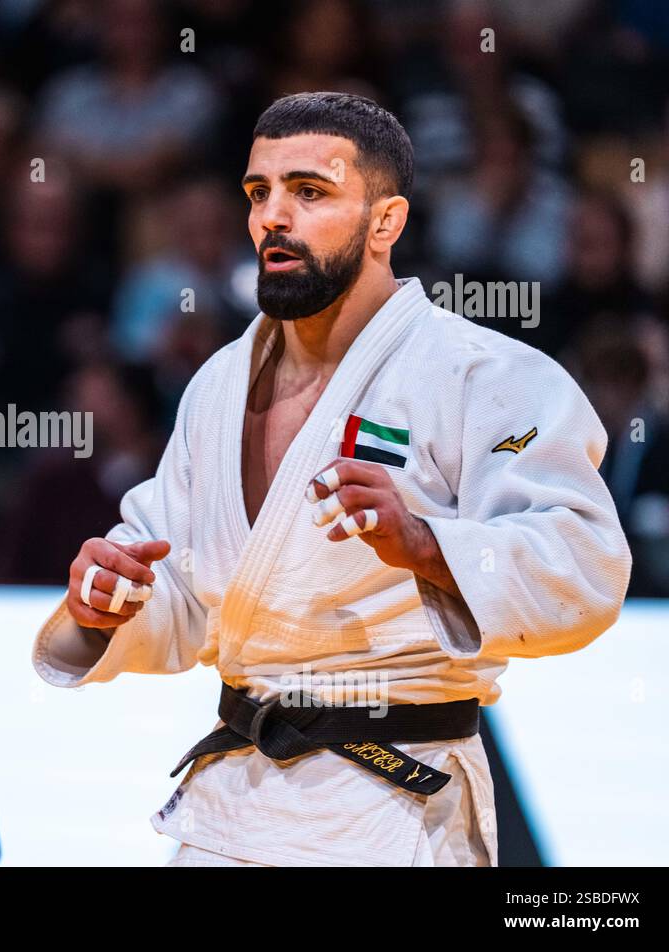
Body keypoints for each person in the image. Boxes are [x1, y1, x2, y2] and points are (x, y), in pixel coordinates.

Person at [33, 92, 631, 866]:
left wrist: (426, 545)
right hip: (230, 805)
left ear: (386, 222)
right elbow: (187, 586)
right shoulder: (218, 385)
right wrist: (106, 605)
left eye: (309, 191)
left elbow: (584, 563)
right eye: (259, 192)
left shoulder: (483, 375)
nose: (272, 217)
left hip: (392, 807)